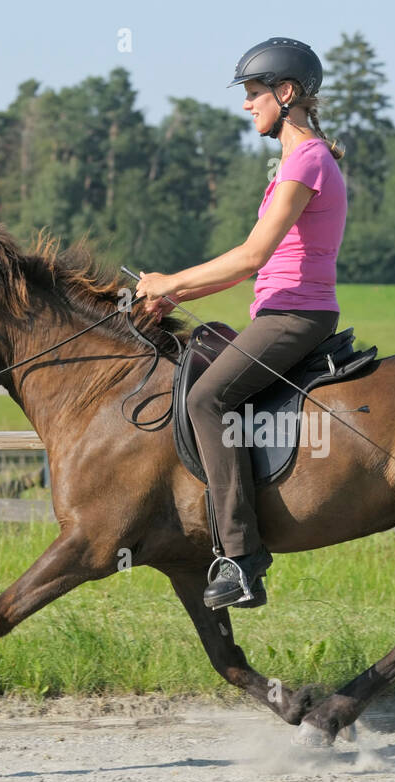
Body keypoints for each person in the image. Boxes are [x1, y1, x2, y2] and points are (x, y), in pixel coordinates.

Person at [136, 37, 347, 610]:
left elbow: (252, 256)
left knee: (207, 399)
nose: (247, 105)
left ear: (286, 93)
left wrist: (169, 282)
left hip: (295, 316)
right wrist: (173, 297)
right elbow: (244, 269)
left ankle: (241, 558)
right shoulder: (295, 161)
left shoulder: (307, 159)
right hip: (278, 310)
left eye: (254, 94)